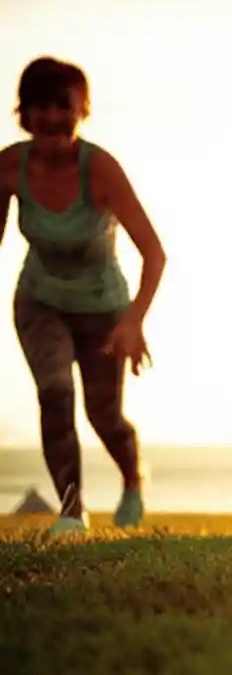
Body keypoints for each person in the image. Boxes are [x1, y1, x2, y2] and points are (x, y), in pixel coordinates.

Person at [0, 56, 166, 535]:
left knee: (104, 415)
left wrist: (134, 320)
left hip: (103, 310)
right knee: (55, 395)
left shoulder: (102, 170)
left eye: (63, 106)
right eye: (40, 107)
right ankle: (72, 513)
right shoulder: (10, 166)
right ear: (24, 113)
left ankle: (133, 481)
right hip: (40, 301)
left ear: (82, 111)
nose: (52, 118)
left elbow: (154, 253)